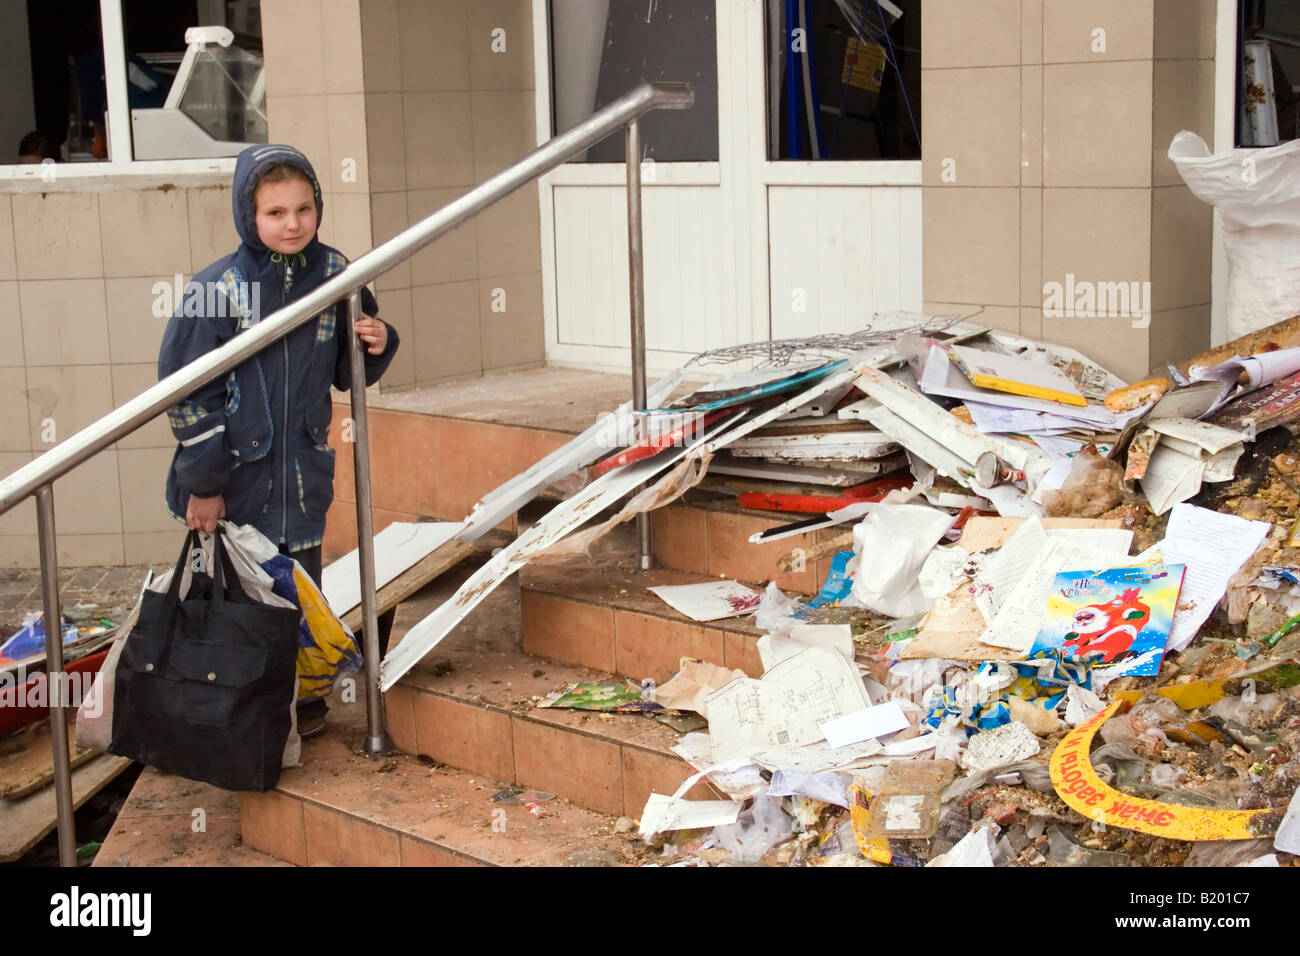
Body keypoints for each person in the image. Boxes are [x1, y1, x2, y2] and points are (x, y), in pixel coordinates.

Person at [158, 143, 399, 738]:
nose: (292, 224)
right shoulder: (216, 291)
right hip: (234, 485)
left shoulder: (338, 275)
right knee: (233, 601)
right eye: (274, 213)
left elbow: (352, 373)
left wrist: (379, 339)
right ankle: (239, 718)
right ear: (249, 214)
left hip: (303, 478)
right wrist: (206, 484)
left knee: (298, 591)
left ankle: (304, 706)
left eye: (303, 210)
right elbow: (187, 395)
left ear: (317, 207)